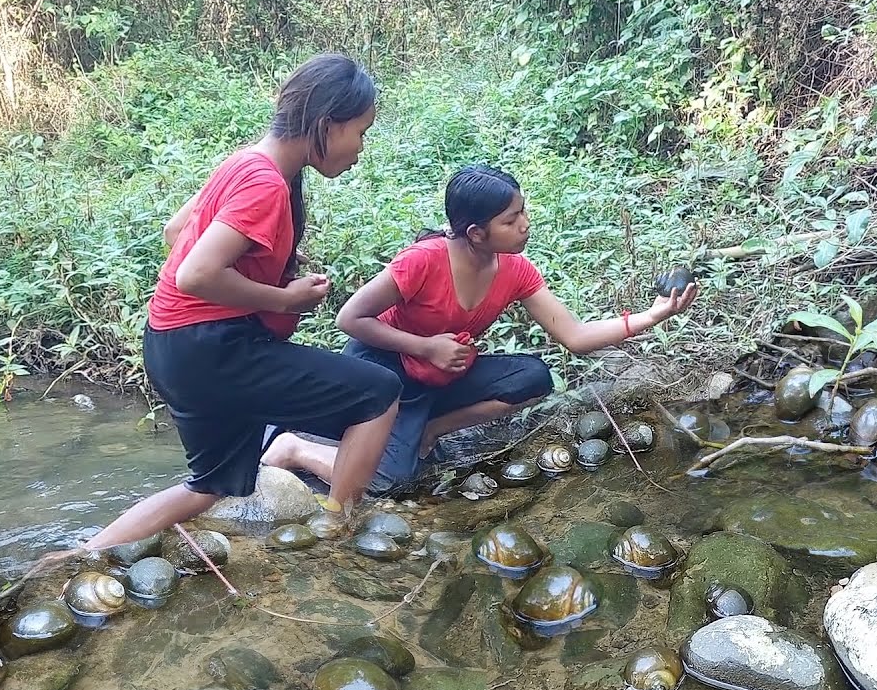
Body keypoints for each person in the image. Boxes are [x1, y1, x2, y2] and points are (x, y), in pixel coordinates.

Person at [80, 53, 401, 554]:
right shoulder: (265, 181)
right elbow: (195, 273)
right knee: (378, 393)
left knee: (210, 484)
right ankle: (336, 526)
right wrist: (285, 297)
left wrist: (259, 265)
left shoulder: (246, 161)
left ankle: (78, 555)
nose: (361, 147)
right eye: (361, 132)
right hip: (212, 348)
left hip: (172, 345)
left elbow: (176, 232)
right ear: (326, 124)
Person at [262, 164, 698, 495]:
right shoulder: (423, 261)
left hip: (442, 376)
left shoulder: (516, 270)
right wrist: (426, 347)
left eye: (523, 211)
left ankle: (431, 429)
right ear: (475, 233)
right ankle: (294, 449)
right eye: (510, 219)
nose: (524, 224)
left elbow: (575, 337)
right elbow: (351, 319)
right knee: (390, 480)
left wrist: (650, 317)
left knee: (532, 377)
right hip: (385, 375)